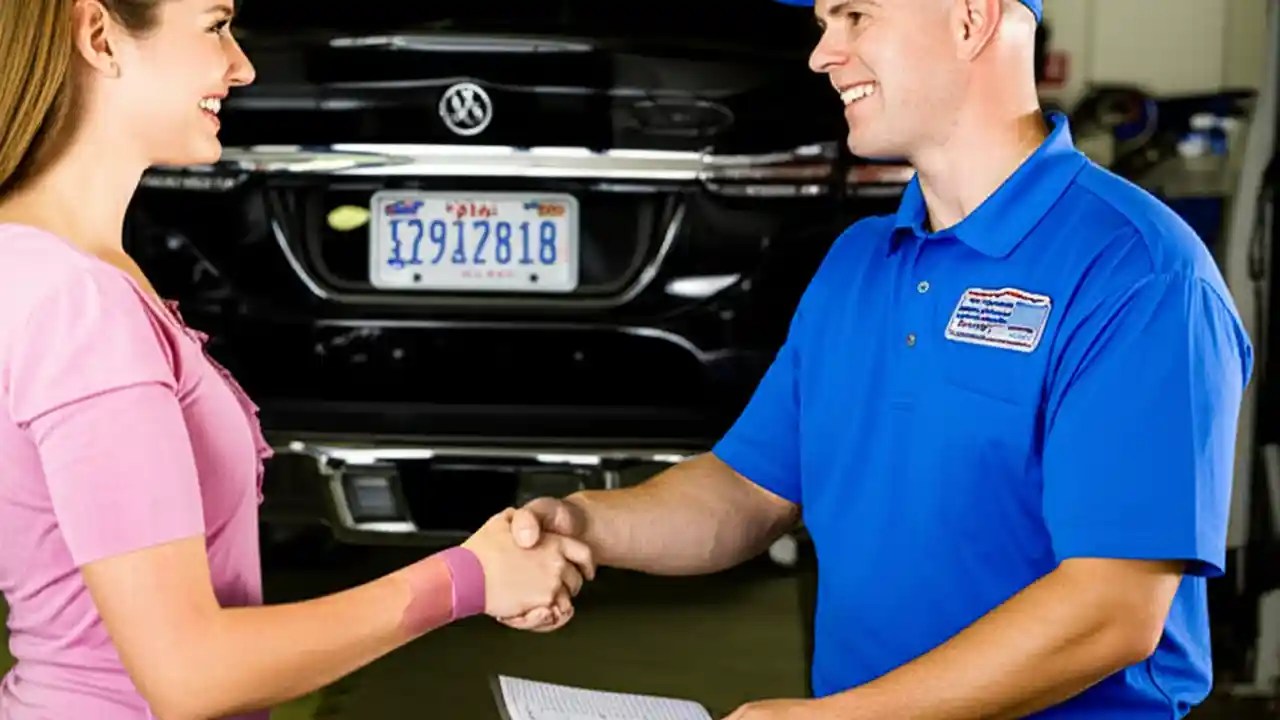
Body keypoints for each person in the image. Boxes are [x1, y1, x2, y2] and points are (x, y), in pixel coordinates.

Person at [504, 0, 1255, 717]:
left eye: (856, 17)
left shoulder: (1138, 272)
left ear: (971, 19)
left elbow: (1111, 611)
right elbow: (746, 490)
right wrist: (582, 524)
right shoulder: (858, 262)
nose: (823, 55)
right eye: (824, 24)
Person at [0, 1, 593, 718]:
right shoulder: (82, 304)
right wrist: (470, 577)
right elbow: (190, 674)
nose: (241, 66)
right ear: (99, 37)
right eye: (216, 26)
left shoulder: (34, 269)